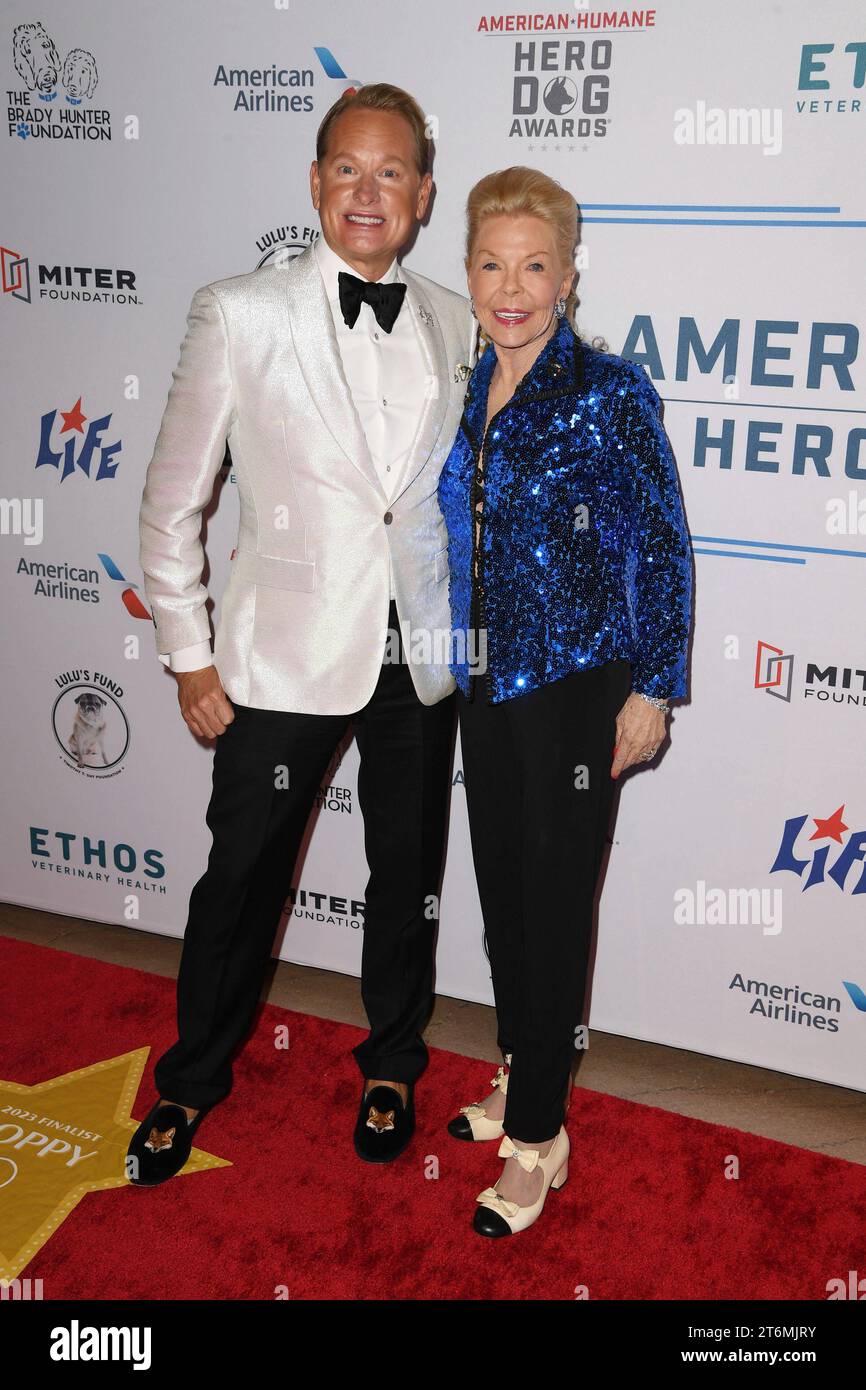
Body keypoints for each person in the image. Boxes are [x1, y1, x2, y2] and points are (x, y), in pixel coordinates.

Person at [127, 84, 475, 1186]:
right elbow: (172, 496)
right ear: (313, 181)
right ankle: (187, 1084)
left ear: (422, 195)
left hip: (412, 653)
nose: (366, 192)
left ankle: (391, 1061)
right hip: (277, 655)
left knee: (405, 870)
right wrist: (188, 650)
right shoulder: (240, 311)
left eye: (390, 174)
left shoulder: (455, 317)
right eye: (345, 169)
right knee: (241, 879)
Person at [437, 166, 692, 1236]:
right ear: (468, 270)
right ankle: (518, 1069)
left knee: (550, 908)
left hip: (578, 686)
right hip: (482, 679)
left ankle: (539, 1136)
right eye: (490, 263)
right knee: (502, 899)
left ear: (567, 274)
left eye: (532, 265)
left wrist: (654, 687)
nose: (510, 286)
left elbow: (662, 541)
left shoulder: (607, 388)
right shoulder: (459, 387)